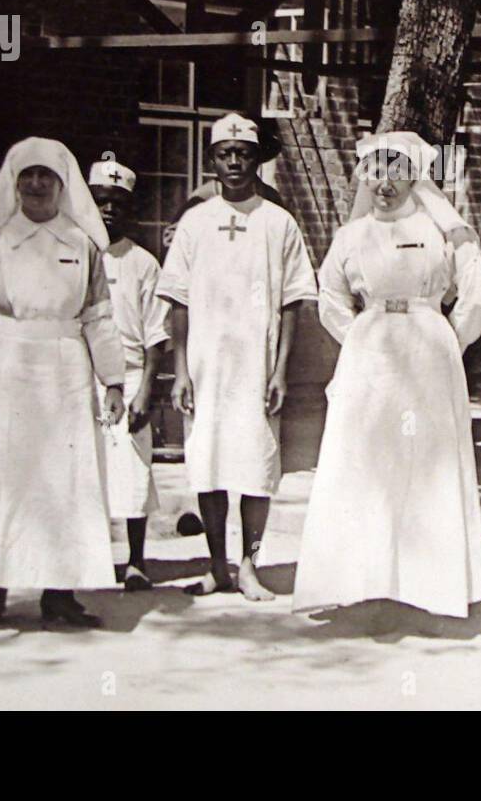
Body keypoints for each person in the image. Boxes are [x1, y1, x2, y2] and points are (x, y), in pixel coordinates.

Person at [293, 132, 481, 622]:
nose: (385, 183)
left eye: (397, 171)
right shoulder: (353, 236)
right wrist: (360, 337)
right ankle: (367, 582)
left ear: (415, 175)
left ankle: (430, 588)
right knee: (368, 462)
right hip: (371, 361)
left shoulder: (440, 231)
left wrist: (452, 337)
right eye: (376, 171)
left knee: (425, 463)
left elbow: (479, 287)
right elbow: (330, 298)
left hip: (427, 354)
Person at [0, 138, 126, 630]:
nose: (37, 185)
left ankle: (60, 593)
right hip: (7, 368)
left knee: (65, 479)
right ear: (14, 181)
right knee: (4, 477)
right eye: (28, 176)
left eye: (47, 176)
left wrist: (113, 381)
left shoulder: (83, 243)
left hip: (65, 369)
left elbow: (99, 317)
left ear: (63, 185)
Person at [157, 113, 316, 601]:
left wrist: (280, 370)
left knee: (255, 465)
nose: (233, 162)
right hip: (206, 366)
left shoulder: (278, 222)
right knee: (208, 462)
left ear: (256, 160)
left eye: (242, 154)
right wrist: (180, 369)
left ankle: (250, 564)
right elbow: (178, 300)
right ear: (212, 160)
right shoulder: (194, 223)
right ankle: (217, 566)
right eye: (224, 154)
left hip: (257, 364)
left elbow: (293, 301)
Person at [88, 159, 170, 592]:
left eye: (117, 204)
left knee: (132, 468)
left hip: (131, 373)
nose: (108, 211)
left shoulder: (142, 263)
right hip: (80, 375)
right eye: (100, 202)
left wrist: (147, 392)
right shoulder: (75, 252)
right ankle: (92, 556)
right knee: (87, 467)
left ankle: (137, 559)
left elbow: (157, 334)